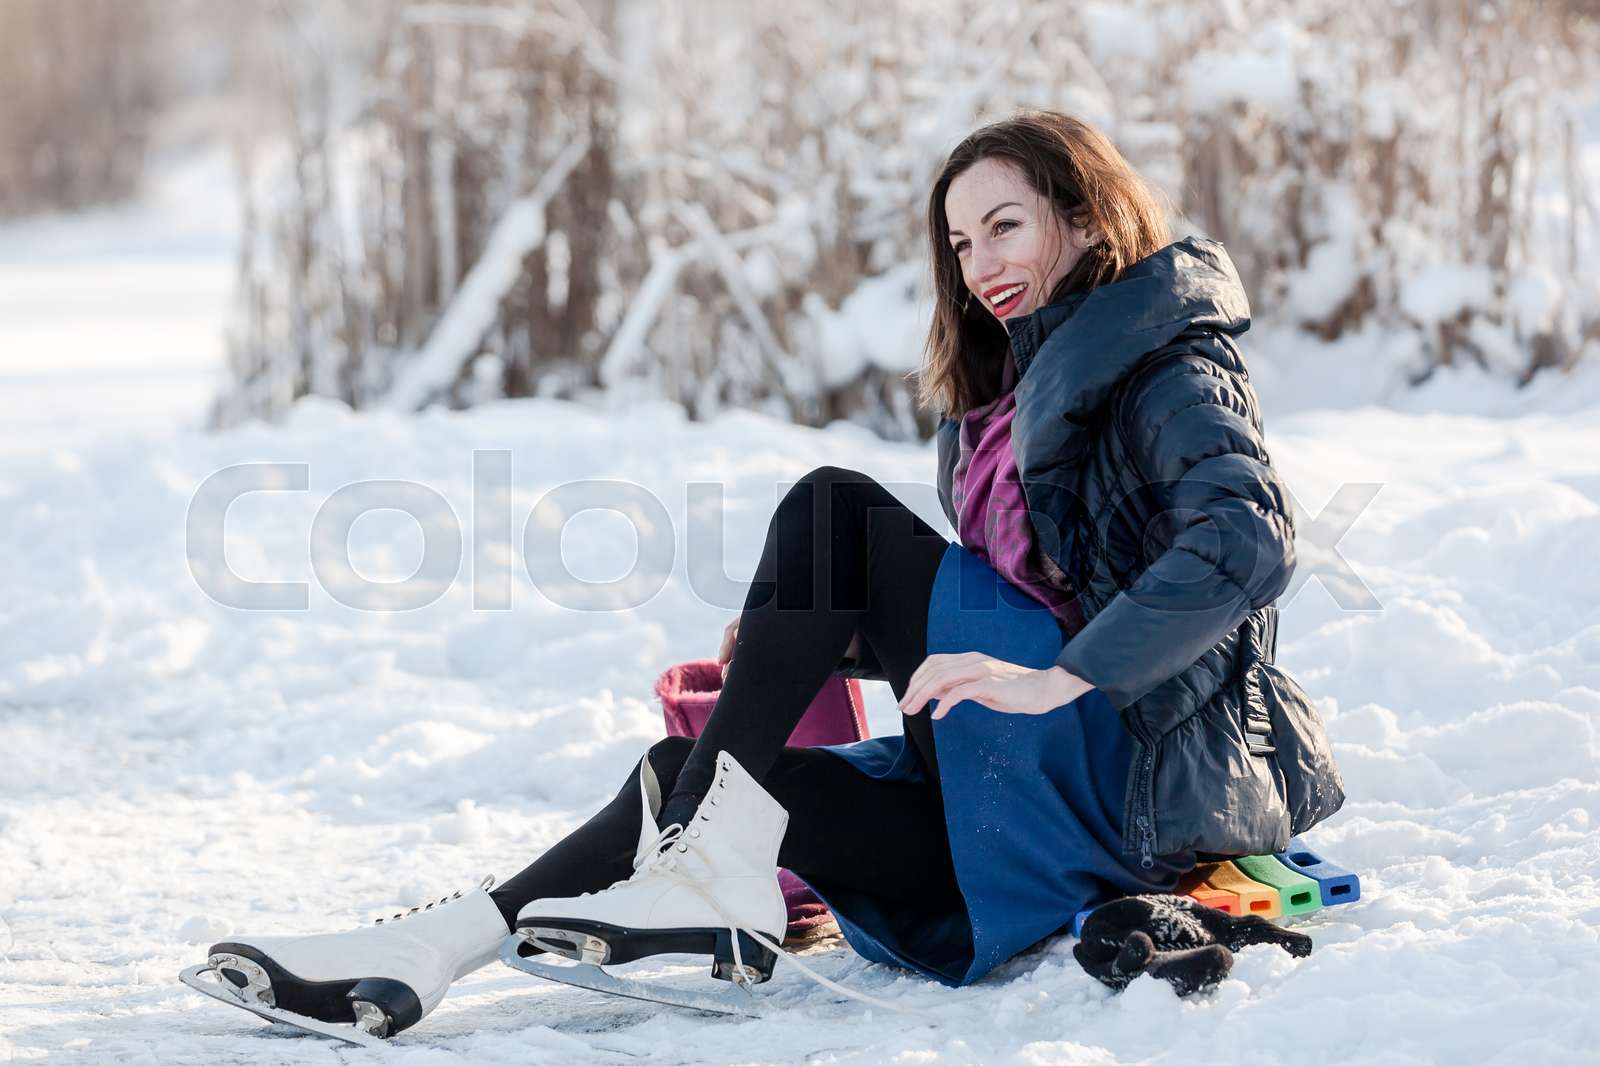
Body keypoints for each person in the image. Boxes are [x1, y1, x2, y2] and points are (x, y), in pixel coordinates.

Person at [190, 109, 1342, 1038]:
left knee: (833, 508)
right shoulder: (1010, 389)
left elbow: (1243, 542)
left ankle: (711, 882)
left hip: (1113, 779)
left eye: (1005, 227)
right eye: (958, 242)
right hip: (1001, 822)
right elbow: (1030, 580)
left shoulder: (1165, 360)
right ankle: (427, 951)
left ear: (1088, 220)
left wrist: (1066, 676)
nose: (979, 263)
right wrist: (810, 630)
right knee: (689, 773)